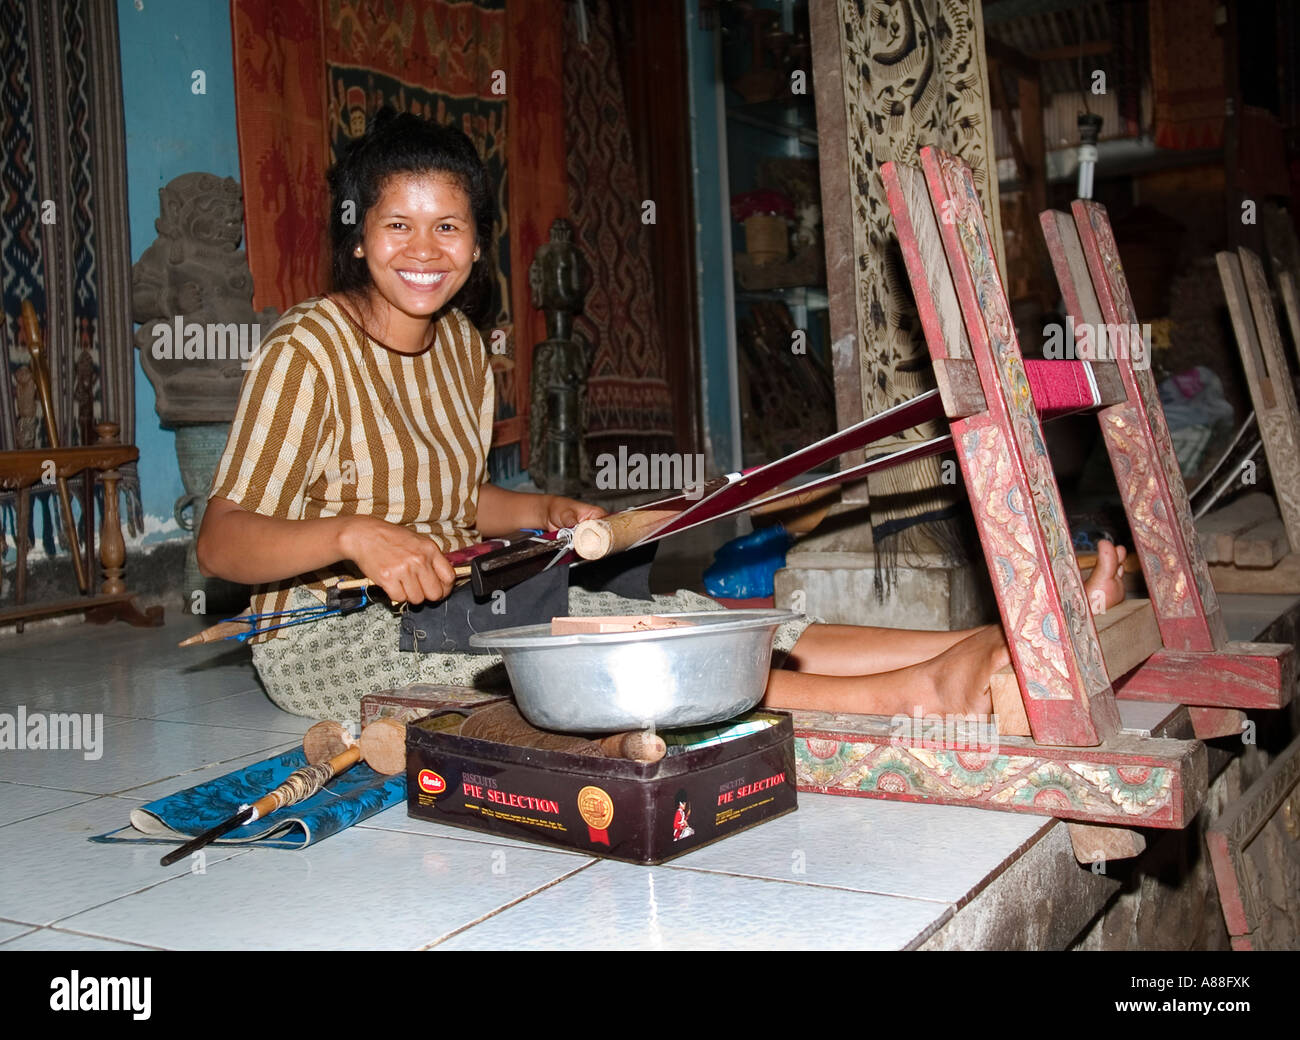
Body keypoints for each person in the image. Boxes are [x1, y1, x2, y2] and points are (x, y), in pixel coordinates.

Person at [197, 110, 1128, 724]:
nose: (423, 249)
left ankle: (991, 645)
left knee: (687, 606)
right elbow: (221, 544)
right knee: (601, 659)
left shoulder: (462, 350)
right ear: (357, 236)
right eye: (397, 225)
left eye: (450, 227)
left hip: (458, 591)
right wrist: (357, 535)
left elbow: (447, 498)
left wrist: (541, 513)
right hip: (321, 635)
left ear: (479, 247)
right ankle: (923, 691)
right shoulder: (307, 348)